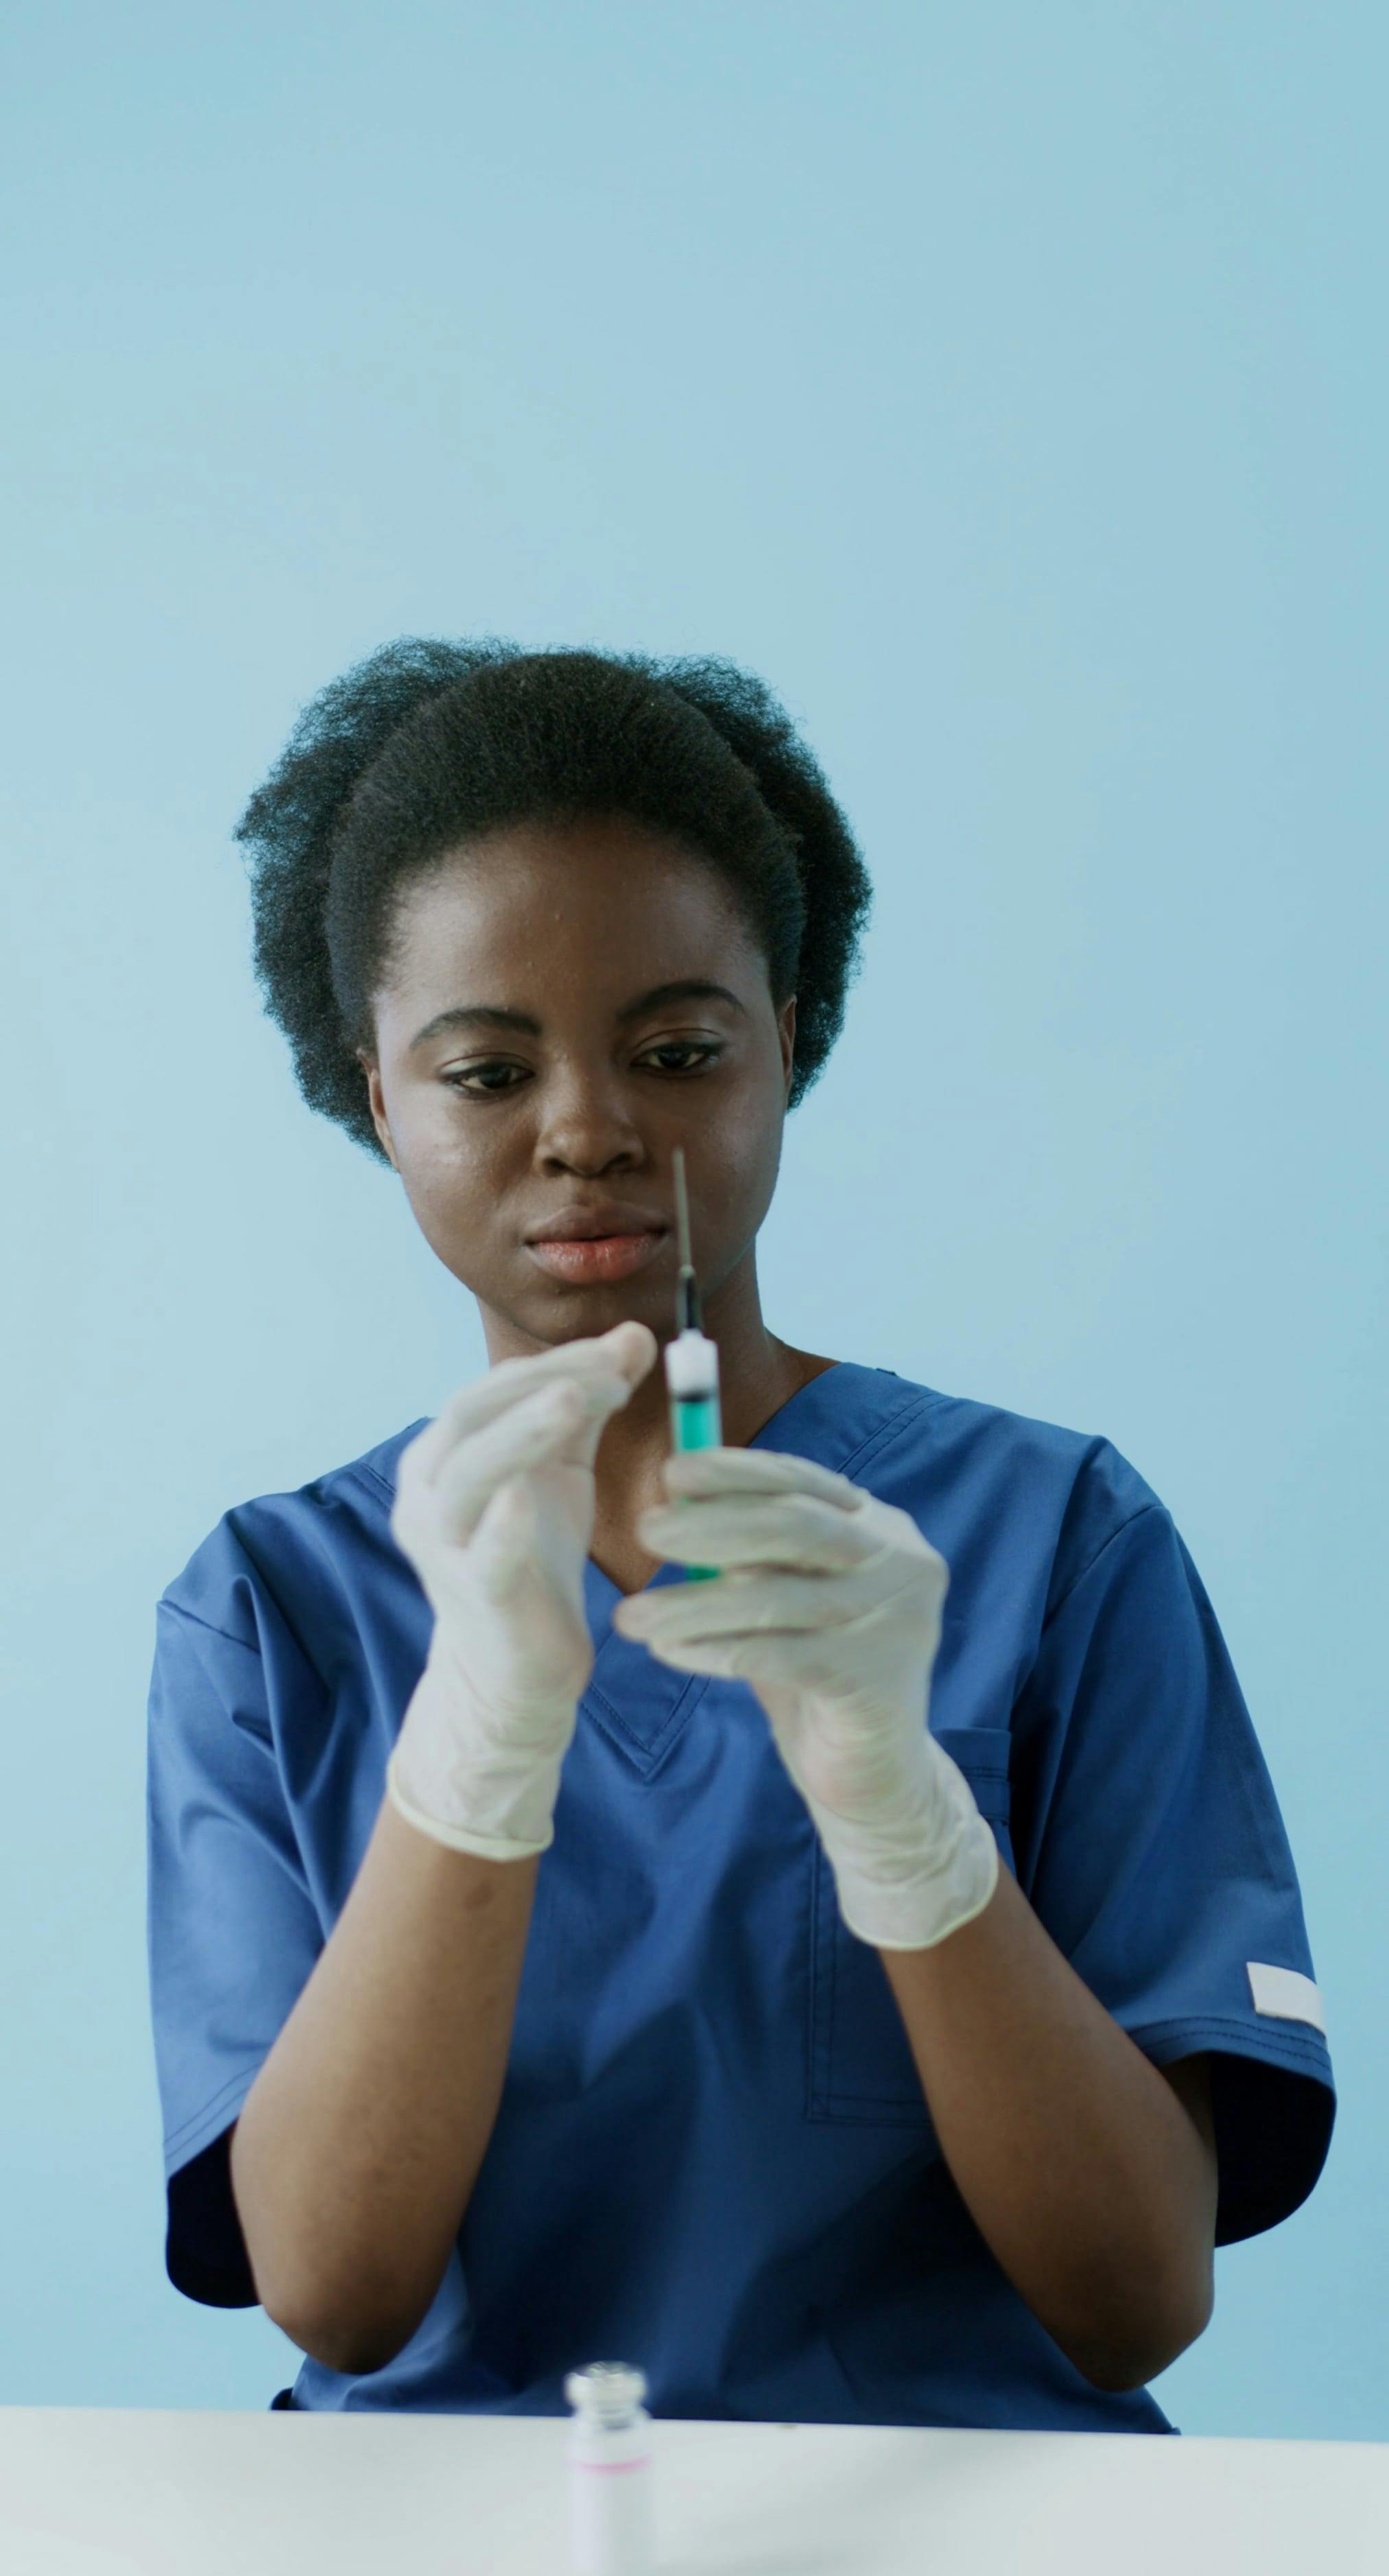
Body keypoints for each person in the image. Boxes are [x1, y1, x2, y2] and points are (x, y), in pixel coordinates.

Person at [146, 639, 1333, 2427]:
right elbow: (335, 2289)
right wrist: (475, 1747)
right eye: (484, 1073)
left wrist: (898, 1801)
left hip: (965, 2547)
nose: (590, 1132)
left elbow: (1132, 2303)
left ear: (787, 1040)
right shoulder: (276, 1606)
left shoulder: (1053, 1536)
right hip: (433, 2561)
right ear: (379, 1095)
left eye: (677, 1049)